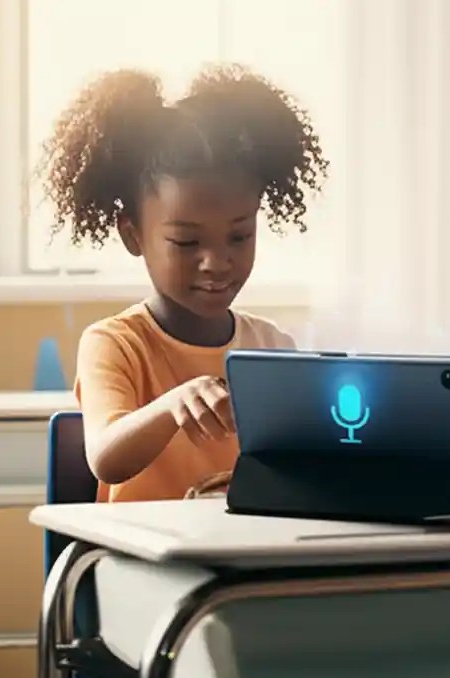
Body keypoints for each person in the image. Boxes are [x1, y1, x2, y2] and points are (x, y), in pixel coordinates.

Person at [37, 64, 327, 502]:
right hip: (140, 560)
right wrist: (174, 405)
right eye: (187, 241)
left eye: (239, 235)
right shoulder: (115, 344)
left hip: (242, 554)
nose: (216, 262)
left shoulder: (272, 346)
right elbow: (105, 457)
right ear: (133, 235)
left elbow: (300, 465)